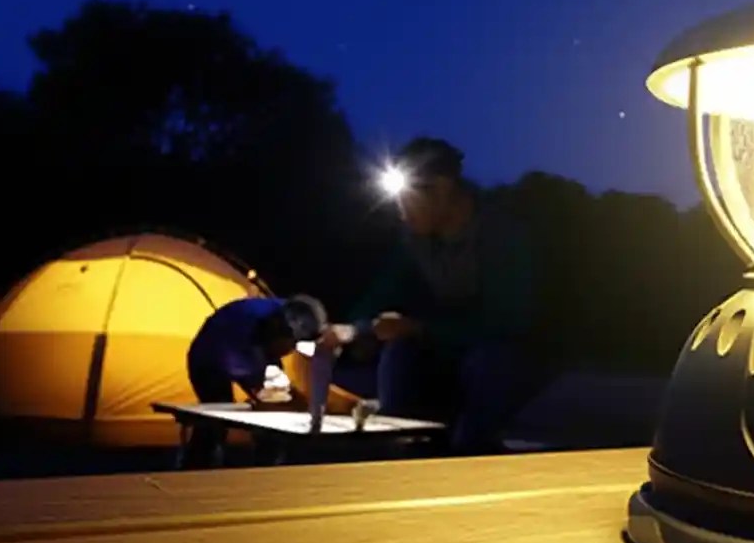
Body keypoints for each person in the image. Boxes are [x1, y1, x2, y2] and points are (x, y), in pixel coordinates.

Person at [319, 136, 541, 454]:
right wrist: (350, 329)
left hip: (511, 351)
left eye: (406, 198)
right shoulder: (416, 240)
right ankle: (402, 436)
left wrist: (421, 328)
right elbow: (385, 289)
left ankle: (474, 445)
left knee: (488, 363)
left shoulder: (502, 235)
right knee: (400, 350)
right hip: (451, 347)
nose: (400, 211)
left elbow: (509, 321)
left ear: (440, 190)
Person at [181, 294, 327, 468]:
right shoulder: (240, 334)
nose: (291, 350)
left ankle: (268, 467)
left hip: (256, 346)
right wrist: (271, 398)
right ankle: (197, 468)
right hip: (208, 358)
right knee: (215, 419)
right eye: (290, 344)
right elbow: (261, 389)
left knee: (276, 416)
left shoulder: (293, 314)